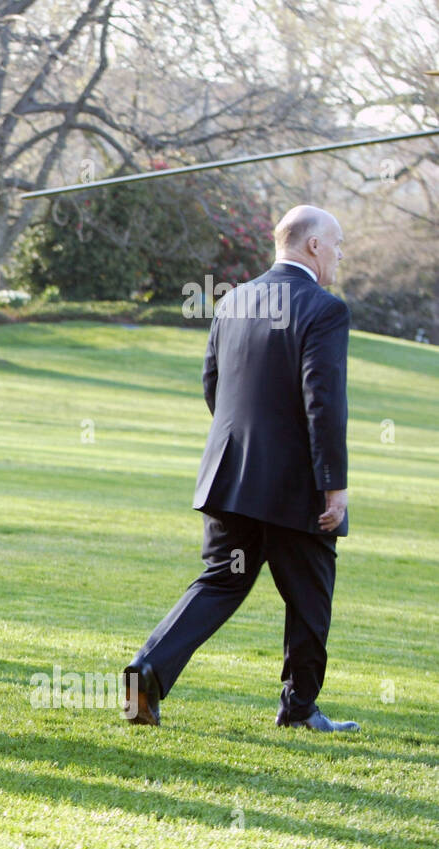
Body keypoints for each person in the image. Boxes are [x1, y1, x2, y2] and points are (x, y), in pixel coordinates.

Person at [123, 205, 358, 732]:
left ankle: (146, 672)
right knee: (309, 595)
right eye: (337, 243)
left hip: (230, 477)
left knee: (221, 582)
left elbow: (215, 386)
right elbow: (322, 401)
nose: (341, 253)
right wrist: (334, 486)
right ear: (313, 245)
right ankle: (299, 709)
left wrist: (246, 451)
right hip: (295, 489)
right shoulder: (325, 309)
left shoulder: (234, 301)